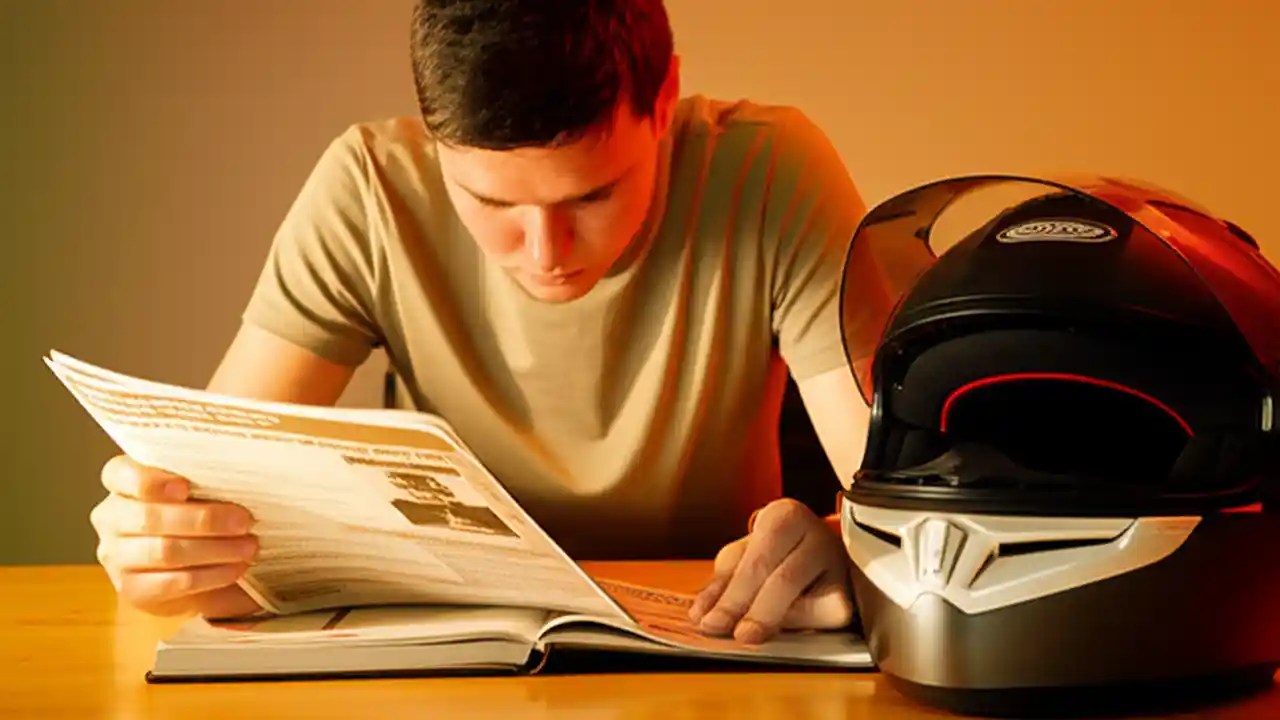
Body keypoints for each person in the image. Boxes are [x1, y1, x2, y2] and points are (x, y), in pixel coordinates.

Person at [87, 0, 871, 647]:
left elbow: (903, 491)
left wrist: (850, 542)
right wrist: (176, 544)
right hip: (453, 662)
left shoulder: (773, 169)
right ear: (433, 142)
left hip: (714, 650)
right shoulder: (369, 191)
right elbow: (218, 481)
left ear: (663, 99)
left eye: (591, 196)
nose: (545, 254)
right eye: (491, 203)